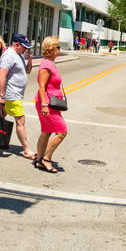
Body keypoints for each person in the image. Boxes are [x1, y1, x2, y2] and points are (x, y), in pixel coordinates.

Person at [0, 33, 35, 159]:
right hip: (11, 94)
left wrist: (29, 59)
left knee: (1, 116)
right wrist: (2, 96)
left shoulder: (19, 55)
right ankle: (27, 149)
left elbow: (27, 71)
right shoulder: (8, 55)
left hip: (16, 93)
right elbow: (2, 76)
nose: (26, 49)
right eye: (24, 47)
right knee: (20, 120)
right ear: (16, 44)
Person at [33, 36, 69, 172]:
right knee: (61, 131)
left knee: (46, 132)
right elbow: (41, 86)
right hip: (47, 103)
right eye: (58, 47)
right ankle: (46, 159)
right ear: (52, 49)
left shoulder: (50, 63)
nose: (59, 50)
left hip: (51, 103)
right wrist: (44, 105)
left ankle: (39, 160)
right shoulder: (46, 65)